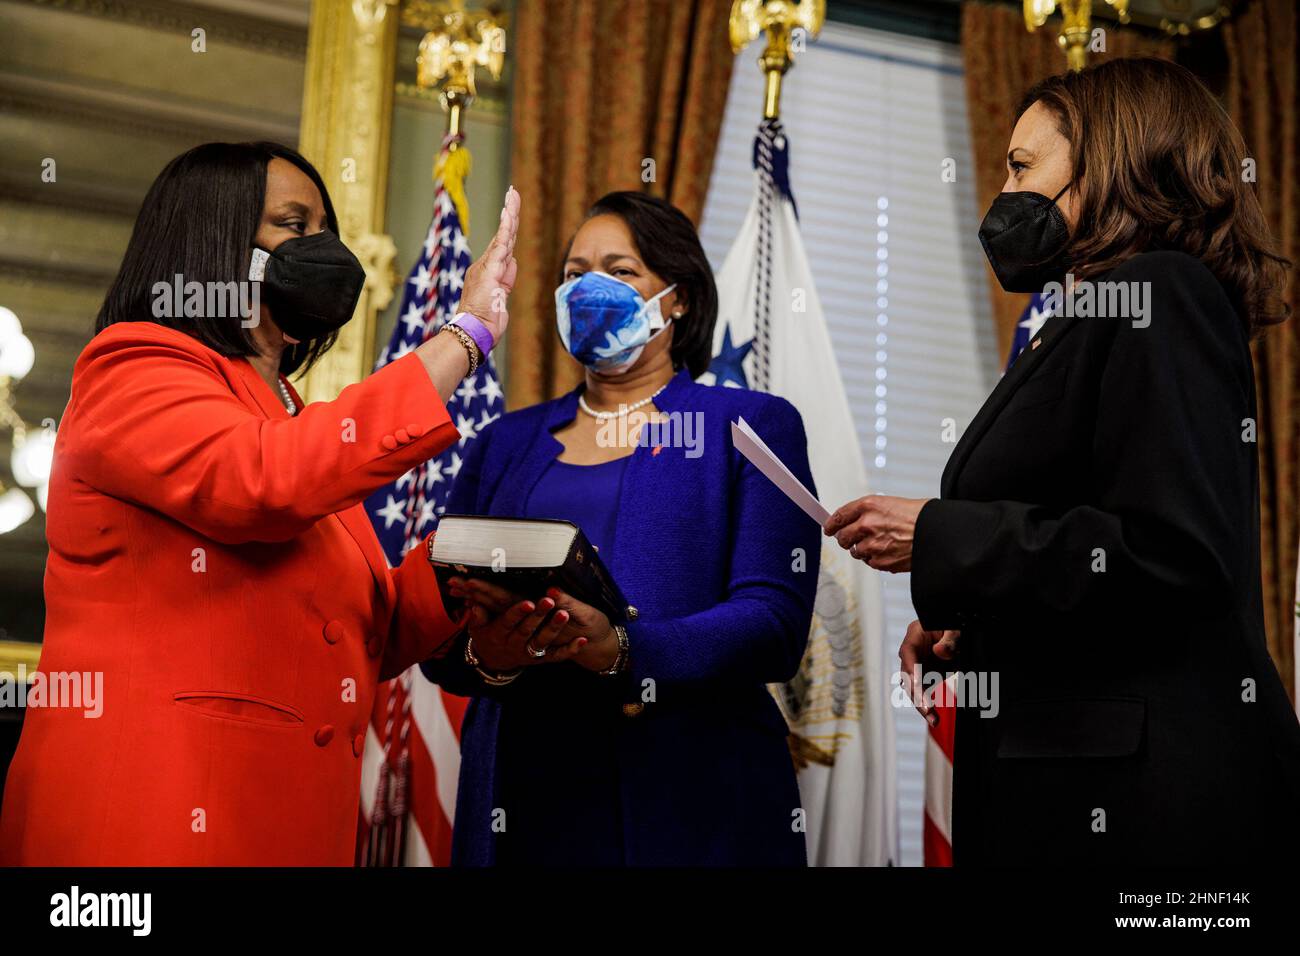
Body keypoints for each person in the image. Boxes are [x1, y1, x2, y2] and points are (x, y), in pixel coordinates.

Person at [824, 57, 1300, 864]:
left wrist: (943, 540)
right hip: (1070, 785)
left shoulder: (1164, 294)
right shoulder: (1087, 318)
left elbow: (1172, 556)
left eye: (1022, 166)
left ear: (1110, 160)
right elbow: (1092, 550)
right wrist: (969, 622)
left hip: (1144, 806)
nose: (1004, 196)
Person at [0, 141, 520, 865]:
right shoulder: (132, 366)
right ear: (213, 239)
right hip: (152, 824)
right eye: (294, 226)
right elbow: (263, 484)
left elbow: (365, 633)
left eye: (325, 230)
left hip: (291, 825)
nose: (324, 250)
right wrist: (465, 336)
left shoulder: (286, 414)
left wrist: (482, 558)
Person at [421, 191, 819, 866]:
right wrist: (491, 654)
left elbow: (773, 624)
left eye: (620, 269)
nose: (589, 288)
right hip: (525, 797)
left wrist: (623, 649)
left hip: (692, 801)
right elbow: (435, 632)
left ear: (681, 298)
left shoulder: (752, 427)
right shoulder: (503, 443)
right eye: (575, 273)